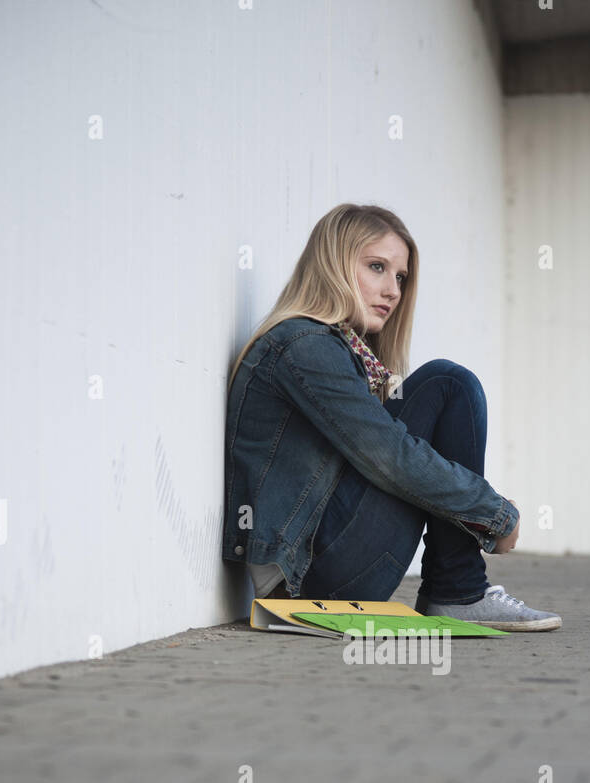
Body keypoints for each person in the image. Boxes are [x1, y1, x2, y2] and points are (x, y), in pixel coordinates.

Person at [222, 203, 562, 632]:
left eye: (400, 277)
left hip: (318, 565)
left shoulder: (334, 348)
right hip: (303, 579)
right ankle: (458, 591)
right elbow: (390, 456)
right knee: (447, 386)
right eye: (377, 267)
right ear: (333, 264)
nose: (393, 291)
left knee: (443, 389)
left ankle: (456, 589)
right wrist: (493, 513)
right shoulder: (303, 345)